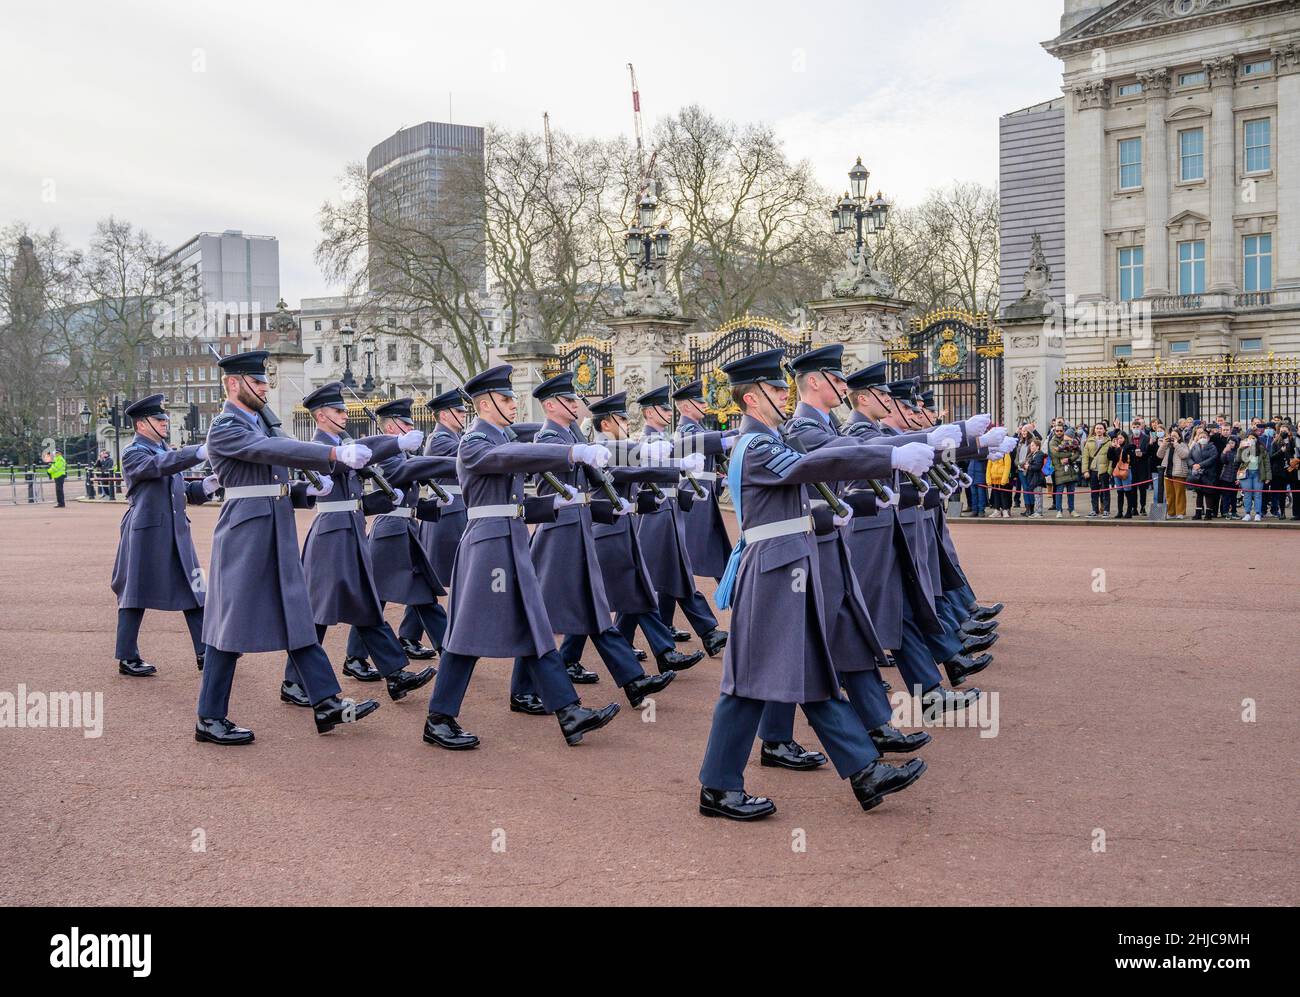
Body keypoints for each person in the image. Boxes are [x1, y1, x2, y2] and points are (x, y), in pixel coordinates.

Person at [696, 348, 929, 821]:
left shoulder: (772, 438)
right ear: (751, 397)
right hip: (773, 572)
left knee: (812, 672)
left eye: (784, 387)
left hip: (787, 568)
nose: (785, 394)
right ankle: (717, 788)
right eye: (776, 388)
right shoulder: (757, 445)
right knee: (746, 684)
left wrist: (923, 443)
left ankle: (864, 772)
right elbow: (809, 468)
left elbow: (829, 453)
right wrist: (891, 457)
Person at [420, 363, 622, 751]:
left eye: (513, 398)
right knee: (466, 635)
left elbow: (519, 480)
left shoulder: (499, 438)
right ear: (484, 403)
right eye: (506, 398)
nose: (514, 404)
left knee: (537, 625)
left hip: (509, 541)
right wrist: (570, 452)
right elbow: (512, 456)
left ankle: (568, 711)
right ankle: (439, 718)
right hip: (488, 549)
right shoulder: (474, 442)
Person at [753, 346, 936, 771]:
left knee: (846, 631)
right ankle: (779, 738)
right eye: (837, 380)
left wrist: (952, 441)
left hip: (829, 541)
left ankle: (874, 724)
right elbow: (838, 457)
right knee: (798, 644)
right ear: (815, 381)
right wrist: (905, 449)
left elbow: (846, 456)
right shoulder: (801, 427)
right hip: (806, 546)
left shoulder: (823, 423)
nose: (844, 388)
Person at [196, 350, 381, 745]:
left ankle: (326, 702)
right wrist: (332, 453)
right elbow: (269, 454)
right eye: (258, 382)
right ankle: (209, 718)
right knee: (228, 627)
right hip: (246, 535)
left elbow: (271, 477)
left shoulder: (258, 424)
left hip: (274, 529)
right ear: (234, 384)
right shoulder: (227, 426)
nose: (265, 388)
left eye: (265, 381)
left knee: (297, 617)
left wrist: (304, 491)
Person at [515, 371, 678, 713]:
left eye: (575, 399)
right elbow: (576, 456)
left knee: (595, 610)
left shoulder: (571, 434)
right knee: (541, 617)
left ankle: (634, 683)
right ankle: (521, 690)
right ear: (550, 405)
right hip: (558, 535)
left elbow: (609, 468)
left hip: (579, 529)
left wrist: (658, 465)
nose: (577, 404)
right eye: (570, 400)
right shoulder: (549, 437)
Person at [281, 382, 435, 709]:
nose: (344, 415)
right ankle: (293, 682)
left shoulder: (341, 442)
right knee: (319, 612)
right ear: (321, 416)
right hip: (331, 533)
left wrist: (391, 448)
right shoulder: (319, 446)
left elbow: (364, 451)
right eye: (338, 411)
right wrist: (394, 443)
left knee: (365, 604)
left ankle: (395, 674)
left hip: (350, 528)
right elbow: (341, 461)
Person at [341, 398, 455, 675]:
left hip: (406, 529)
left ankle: (450, 652)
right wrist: (443, 464)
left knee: (423, 594)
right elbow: (401, 473)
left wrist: (431, 505)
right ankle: (354, 658)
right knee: (377, 598)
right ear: (391, 427)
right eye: (406, 424)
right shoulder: (386, 455)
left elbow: (410, 499)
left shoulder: (401, 454)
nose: (410, 428)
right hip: (389, 531)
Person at [110, 394, 219, 677]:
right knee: (135, 592)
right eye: (159, 419)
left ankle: (205, 651)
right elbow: (157, 469)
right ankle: (127, 656)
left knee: (197, 589)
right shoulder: (134, 452)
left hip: (177, 531)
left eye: (165, 419)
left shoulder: (164, 450)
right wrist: (197, 452)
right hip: (146, 531)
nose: (164, 423)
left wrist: (206, 486)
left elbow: (177, 492)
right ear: (141, 424)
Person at [636, 385, 730, 657]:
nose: (668, 412)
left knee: (668, 572)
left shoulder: (664, 437)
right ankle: (707, 630)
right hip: (662, 511)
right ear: (649, 412)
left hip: (673, 508)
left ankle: (670, 629)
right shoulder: (666, 437)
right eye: (664, 408)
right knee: (654, 577)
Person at [397, 388, 470, 657]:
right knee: (445, 578)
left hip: (456, 512)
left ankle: (408, 635)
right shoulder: (440, 439)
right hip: (447, 517)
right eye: (459, 411)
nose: (464, 415)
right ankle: (453, 635)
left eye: (464, 411)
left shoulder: (455, 436)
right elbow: (467, 458)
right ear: (443, 415)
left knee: (432, 580)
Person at [671, 379, 733, 587]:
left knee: (720, 558)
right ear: (687, 406)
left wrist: (721, 483)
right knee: (682, 563)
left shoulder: (697, 428)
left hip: (705, 500)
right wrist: (736, 434)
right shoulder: (687, 430)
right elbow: (705, 441)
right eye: (700, 401)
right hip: (696, 502)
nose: (705, 404)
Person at [1048, 422, 1080, 517]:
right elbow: (1056, 454)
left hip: (1070, 469)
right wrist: (1070, 453)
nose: (1058, 432)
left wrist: (1069, 459)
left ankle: (1072, 510)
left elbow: (1078, 452)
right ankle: (1059, 511)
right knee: (1059, 491)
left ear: (1064, 431)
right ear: (1054, 431)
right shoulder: (1052, 442)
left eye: (1061, 430)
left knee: (1071, 491)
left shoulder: (1070, 438)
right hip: (1059, 469)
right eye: (1057, 430)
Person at [1187, 427, 1220, 521]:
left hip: (1208, 474)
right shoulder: (1194, 446)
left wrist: (1200, 465)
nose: (1202, 438)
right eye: (1200, 436)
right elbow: (1189, 457)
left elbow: (1213, 458)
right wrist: (1193, 465)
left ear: (1208, 438)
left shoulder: (1212, 447)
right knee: (1199, 493)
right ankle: (1198, 513)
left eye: (1204, 436)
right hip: (1197, 475)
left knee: (1208, 494)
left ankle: (1208, 514)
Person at [1157, 428, 1190, 519]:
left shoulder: (1183, 445)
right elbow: (1159, 455)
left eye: (1175, 436)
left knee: (1179, 493)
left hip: (1179, 472)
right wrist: (1164, 443)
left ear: (1179, 437)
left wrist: (1176, 444)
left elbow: (1184, 455)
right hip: (1167, 472)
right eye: (1171, 436)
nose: (1173, 438)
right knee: (1169, 494)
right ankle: (1171, 513)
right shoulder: (1167, 446)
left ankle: (1180, 512)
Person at [1236, 428, 1268, 522]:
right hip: (1246, 473)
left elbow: (1266, 463)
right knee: (1247, 494)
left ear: (1257, 439)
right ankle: (1247, 513)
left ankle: (1258, 513)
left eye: (1253, 438)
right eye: (1250, 438)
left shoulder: (1261, 448)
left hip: (1258, 473)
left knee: (1258, 494)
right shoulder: (1244, 448)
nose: (1252, 440)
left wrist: (1268, 477)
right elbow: (1238, 460)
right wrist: (1240, 448)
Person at [1082, 422, 1112, 518]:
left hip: (1104, 470)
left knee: (1105, 491)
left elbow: (1111, 458)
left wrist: (1109, 471)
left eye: (1101, 428)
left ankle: (1106, 510)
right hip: (1093, 469)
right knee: (1094, 491)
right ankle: (1094, 509)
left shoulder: (1109, 442)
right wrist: (1085, 471)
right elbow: (1085, 457)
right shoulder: (1089, 441)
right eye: (1097, 428)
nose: (1099, 430)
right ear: (1094, 430)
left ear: (1104, 430)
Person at [1268, 426, 1297, 519]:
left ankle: (1292, 512)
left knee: (1287, 492)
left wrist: (1288, 448)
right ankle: (1280, 512)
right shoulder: (1275, 442)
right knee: (1279, 492)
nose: (1283, 432)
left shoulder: (1292, 441)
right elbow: (1271, 457)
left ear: (1289, 431)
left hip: (1289, 470)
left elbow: (1294, 454)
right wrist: (1281, 451)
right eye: (1281, 431)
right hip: (1278, 471)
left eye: (1285, 430)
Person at [1107, 430, 1135, 519]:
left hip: (1126, 471)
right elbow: (1110, 457)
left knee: (1128, 491)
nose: (1119, 440)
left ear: (1125, 438)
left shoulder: (1129, 447)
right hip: (1116, 470)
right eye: (1118, 438)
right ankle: (1119, 511)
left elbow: (1125, 459)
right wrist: (1111, 448)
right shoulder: (1115, 447)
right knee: (1119, 492)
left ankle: (1129, 511)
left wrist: (1119, 449)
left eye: (1121, 438)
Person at [985, 445, 1013, 517]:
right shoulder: (992, 454)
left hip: (1002, 479)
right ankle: (997, 510)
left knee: (1004, 495)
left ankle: (1005, 510)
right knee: (995, 495)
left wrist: (1004, 479)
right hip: (994, 479)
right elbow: (988, 467)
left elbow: (1007, 467)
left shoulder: (1005, 454)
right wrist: (988, 479)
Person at [1022, 438, 1046, 517]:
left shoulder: (1039, 454)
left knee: (1038, 495)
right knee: (1036, 495)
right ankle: (1037, 511)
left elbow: (1037, 467)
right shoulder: (1033, 454)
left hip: (1038, 478)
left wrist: (1028, 466)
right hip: (1034, 478)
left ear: (1037, 447)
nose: (1030, 447)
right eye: (1030, 445)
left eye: (1032, 445)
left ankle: (1039, 512)